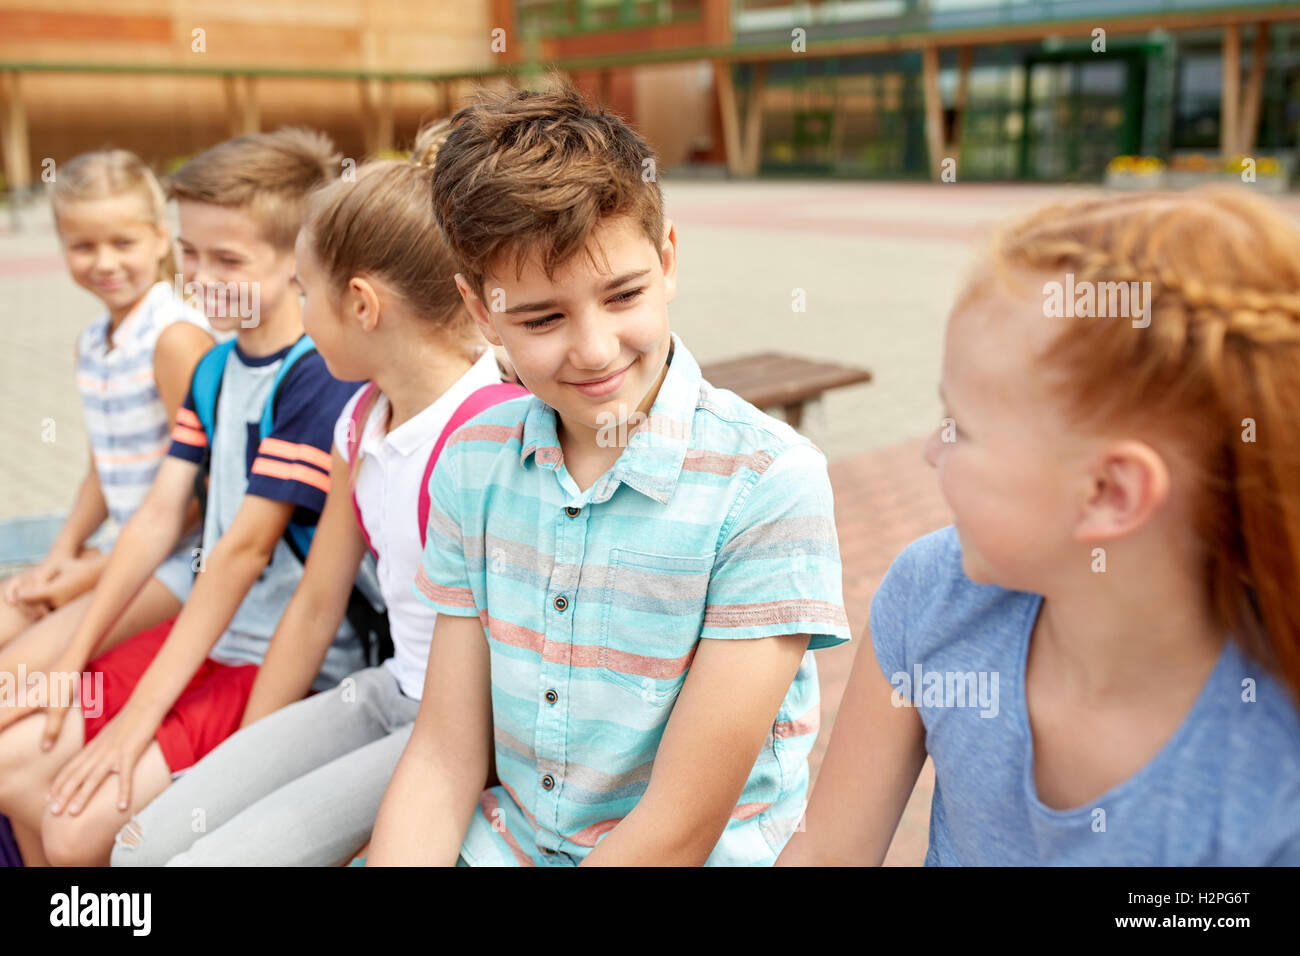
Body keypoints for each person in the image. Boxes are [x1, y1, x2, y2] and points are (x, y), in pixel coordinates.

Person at [368, 80, 852, 867]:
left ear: (666, 260)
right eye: (541, 318)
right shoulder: (473, 462)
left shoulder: (768, 481)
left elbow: (678, 831)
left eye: (622, 295)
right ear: (480, 311)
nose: (594, 350)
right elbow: (444, 757)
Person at [778, 188, 1300, 866]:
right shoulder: (933, 596)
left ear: (1110, 492)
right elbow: (826, 854)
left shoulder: (1272, 771)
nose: (932, 451)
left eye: (960, 427)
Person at [111, 123, 524, 866]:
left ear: (361, 305)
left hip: (463, 729)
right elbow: (315, 602)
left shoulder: (488, 434)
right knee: (143, 849)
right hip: (385, 693)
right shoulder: (361, 416)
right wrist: (242, 772)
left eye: (305, 292)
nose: (297, 313)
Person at [0, 128, 363, 866]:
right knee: (13, 762)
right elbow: (158, 516)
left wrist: (137, 719)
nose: (198, 280)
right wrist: (73, 653)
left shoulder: (316, 378)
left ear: (301, 264)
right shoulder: (216, 366)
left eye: (226, 260)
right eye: (188, 254)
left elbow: (238, 552)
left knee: (72, 830)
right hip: (207, 632)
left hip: (270, 659)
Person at [0, 149, 212, 677]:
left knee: (18, 672)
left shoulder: (175, 338)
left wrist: (85, 578)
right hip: (121, 552)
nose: (105, 262)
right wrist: (60, 554)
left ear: (161, 238)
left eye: (123, 243)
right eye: (83, 246)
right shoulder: (94, 341)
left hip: (179, 562)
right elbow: (103, 468)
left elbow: (204, 492)